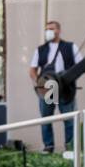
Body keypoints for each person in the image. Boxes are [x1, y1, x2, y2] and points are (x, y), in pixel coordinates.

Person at [29, 19, 77, 153]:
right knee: (46, 119)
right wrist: (39, 84)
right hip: (48, 89)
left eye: (52, 28)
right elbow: (32, 70)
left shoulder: (70, 47)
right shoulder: (40, 50)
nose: (49, 31)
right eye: (47, 29)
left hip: (66, 88)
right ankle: (48, 147)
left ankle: (71, 147)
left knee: (68, 119)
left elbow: (79, 66)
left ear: (59, 30)